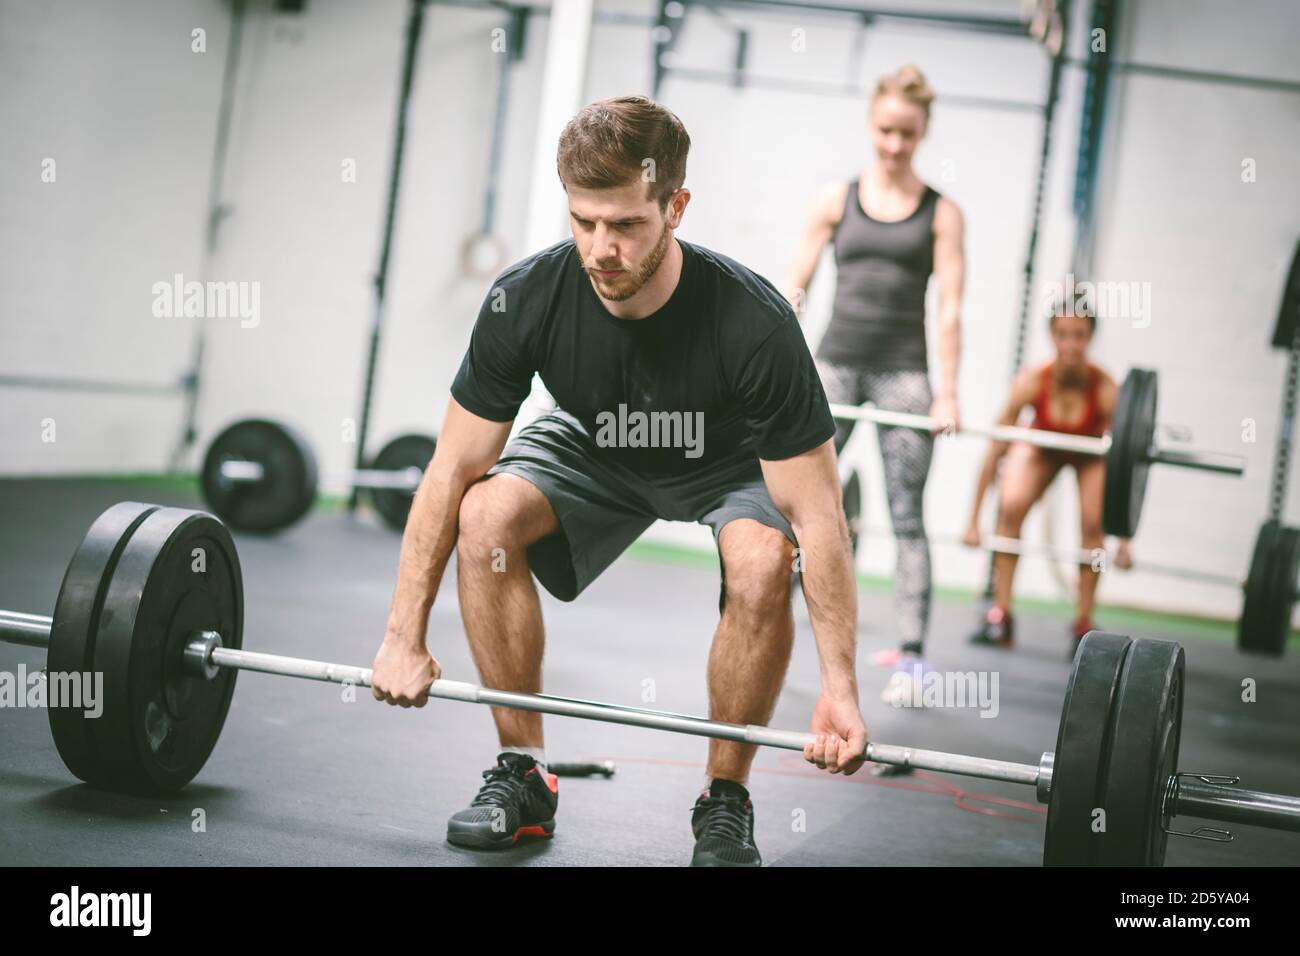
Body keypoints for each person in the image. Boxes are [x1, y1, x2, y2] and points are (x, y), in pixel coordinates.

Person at [369, 95, 867, 868]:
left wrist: (841, 688)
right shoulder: (525, 298)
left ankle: (725, 799)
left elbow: (820, 516)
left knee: (765, 561)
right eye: (583, 221)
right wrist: (403, 636)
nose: (601, 249)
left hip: (727, 459)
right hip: (595, 441)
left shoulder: (755, 322)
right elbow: (449, 469)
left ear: (676, 207)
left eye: (627, 225)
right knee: (485, 513)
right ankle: (523, 772)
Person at [784, 65, 966, 707]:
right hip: (833, 365)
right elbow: (795, 287)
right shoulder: (836, 198)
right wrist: (777, 362)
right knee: (788, 498)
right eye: (886, 130)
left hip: (905, 376)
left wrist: (947, 392)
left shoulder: (943, 213)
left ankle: (912, 657)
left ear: (923, 132)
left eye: (908, 133)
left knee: (908, 514)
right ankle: (767, 619)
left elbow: (949, 307)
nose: (895, 144)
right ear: (872, 124)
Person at [963, 301, 1130, 649]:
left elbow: (1125, 468)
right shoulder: (1031, 382)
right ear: (1052, 336)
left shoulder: (1105, 389)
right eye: (1063, 335)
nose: (1070, 344)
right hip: (1044, 445)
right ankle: (1001, 614)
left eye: (1079, 336)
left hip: (1089, 452)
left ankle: (1084, 623)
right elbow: (996, 447)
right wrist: (973, 520)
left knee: (1092, 521)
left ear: (1090, 338)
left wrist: (1125, 541)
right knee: (1010, 506)